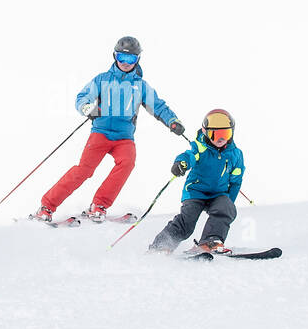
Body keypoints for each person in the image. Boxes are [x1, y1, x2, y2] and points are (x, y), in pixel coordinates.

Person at [34, 36, 185, 223]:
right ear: (114, 56)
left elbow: (159, 106)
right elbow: (82, 97)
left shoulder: (140, 86)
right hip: (101, 133)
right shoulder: (102, 80)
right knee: (84, 170)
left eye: (131, 59)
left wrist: (172, 121)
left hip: (124, 137)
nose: (126, 63)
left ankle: (99, 205)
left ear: (138, 59)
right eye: (122, 58)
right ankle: (47, 206)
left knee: (127, 163)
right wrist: (88, 108)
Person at [149, 109, 245, 253]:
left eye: (225, 134)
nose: (220, 139)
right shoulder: (200, 148)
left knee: (225, 209)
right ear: (206, 133)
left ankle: (210, 242)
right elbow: (188, 156)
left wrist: (228, 202)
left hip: (218, 194)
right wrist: (181, 164)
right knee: (187, 221)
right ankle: (161, 246)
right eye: (215, 134)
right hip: (195, 192)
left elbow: (236, 181)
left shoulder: (235, 155)